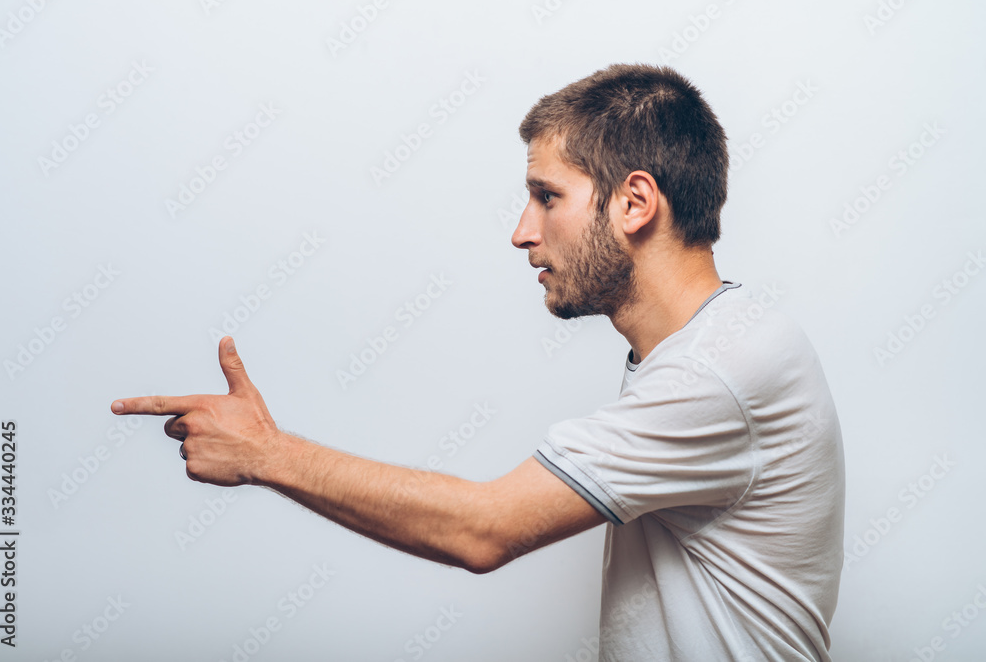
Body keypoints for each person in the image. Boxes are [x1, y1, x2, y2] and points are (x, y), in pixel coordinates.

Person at [112, 64, 845, 661]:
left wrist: (267, 453)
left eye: (546, 195)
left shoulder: (717, 370)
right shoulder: (701, 349)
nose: (523, 232)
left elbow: (482, 528)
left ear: (634, 203)